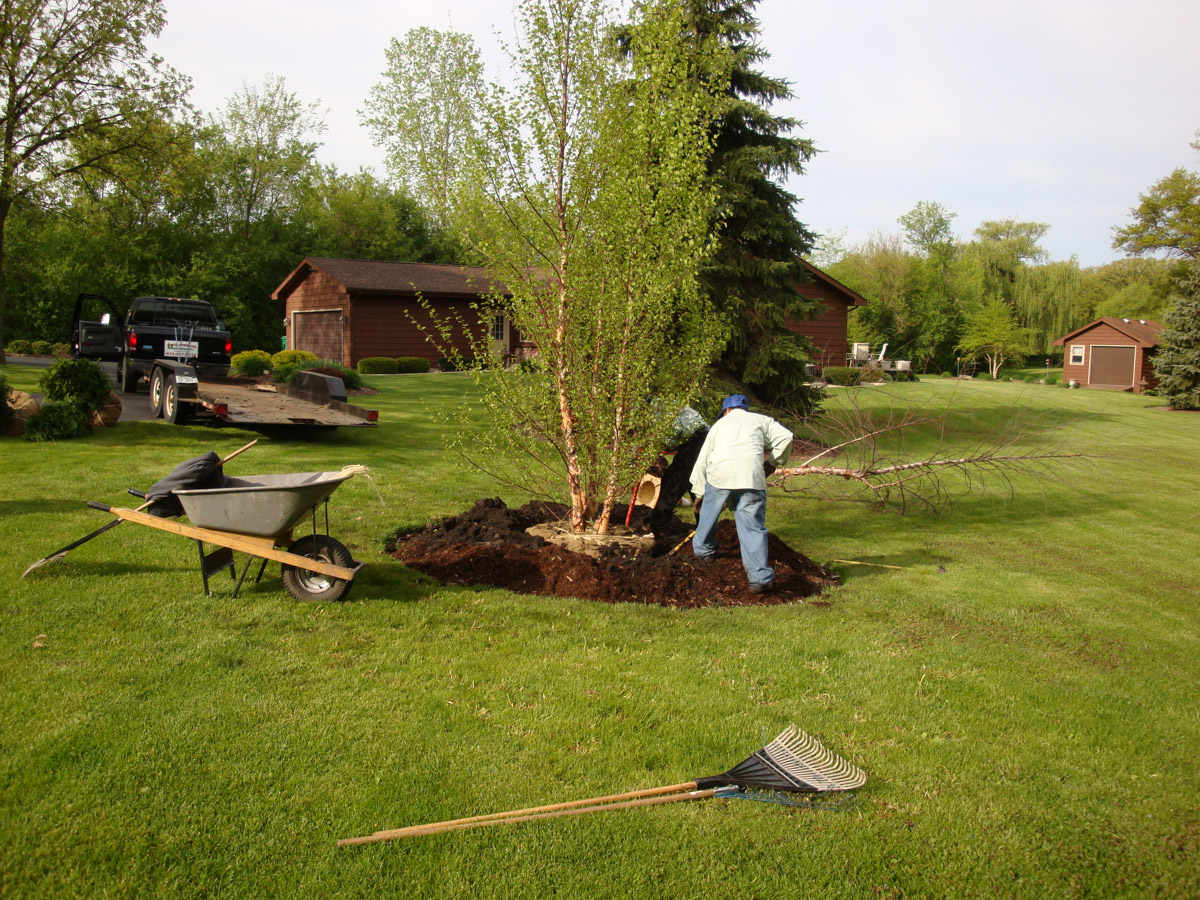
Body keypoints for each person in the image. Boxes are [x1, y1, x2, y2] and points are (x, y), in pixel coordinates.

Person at [689, 394, 794, 593]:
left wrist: (699, 491)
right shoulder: (760, 420)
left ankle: (703, 556)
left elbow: (703, 459)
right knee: (752, 527)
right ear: (744, 409)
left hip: (720, 475)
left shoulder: (719, 426)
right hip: (751, 477)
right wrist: (773, 462)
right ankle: (759, 578)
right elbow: (786, 437)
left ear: (726, 410)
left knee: (708, 517)